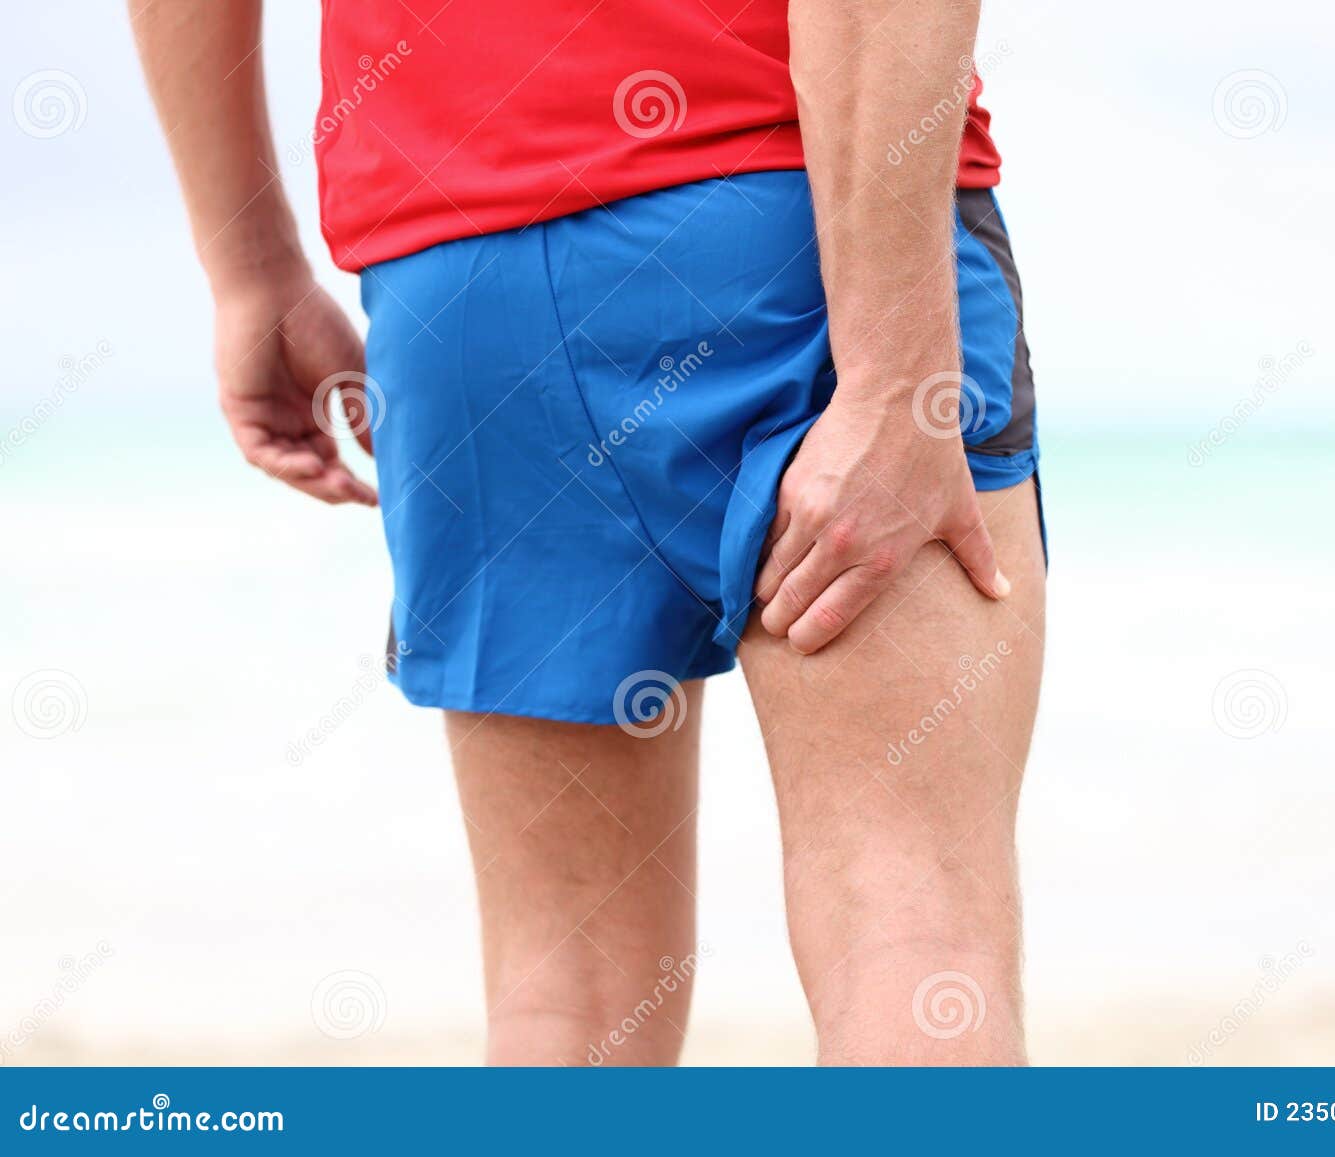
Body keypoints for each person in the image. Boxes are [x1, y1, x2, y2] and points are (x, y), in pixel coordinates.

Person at [130, 0, 1045, 1066]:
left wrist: (250, 263)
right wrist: (893, 377)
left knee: (561, 999)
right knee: (911, 926)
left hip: (460, 278)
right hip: (791, 217)